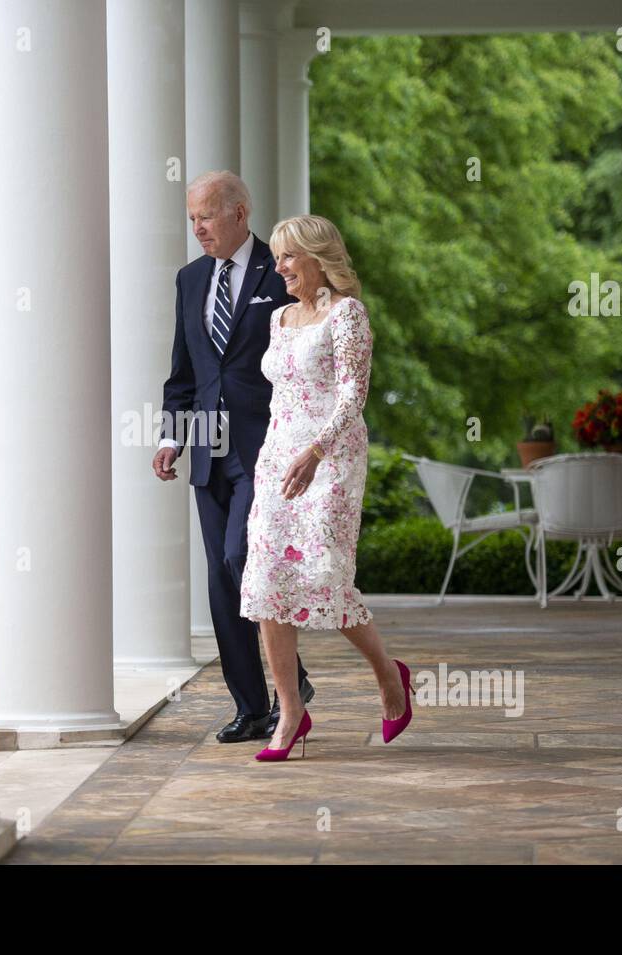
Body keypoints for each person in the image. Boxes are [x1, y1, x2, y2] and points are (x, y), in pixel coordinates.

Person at [239, 214, 413, 762]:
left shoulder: (348, 315)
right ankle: (290, 710)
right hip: (278, 461)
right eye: (275, 256)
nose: (278, 267)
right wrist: (276, 458)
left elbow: (351, 398)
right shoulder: (280, 318)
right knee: (267, 581)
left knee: (324, 577)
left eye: (288, 256)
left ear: (318, 257)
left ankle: (389, 678)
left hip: (331, 460)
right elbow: (279, 397)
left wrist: (315, 453)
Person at [152, 171, 314, 743]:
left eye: (206, 216)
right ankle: (251, 707)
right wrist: (171, 437)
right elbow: (186, 369)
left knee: (240, 557)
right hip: (207, 449)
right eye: (191, 218)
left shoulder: (283, 270)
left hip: (265, 445)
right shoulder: (190, 279)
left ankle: (289, 685)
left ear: (240, 214)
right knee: (221, 582)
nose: (197, 227)